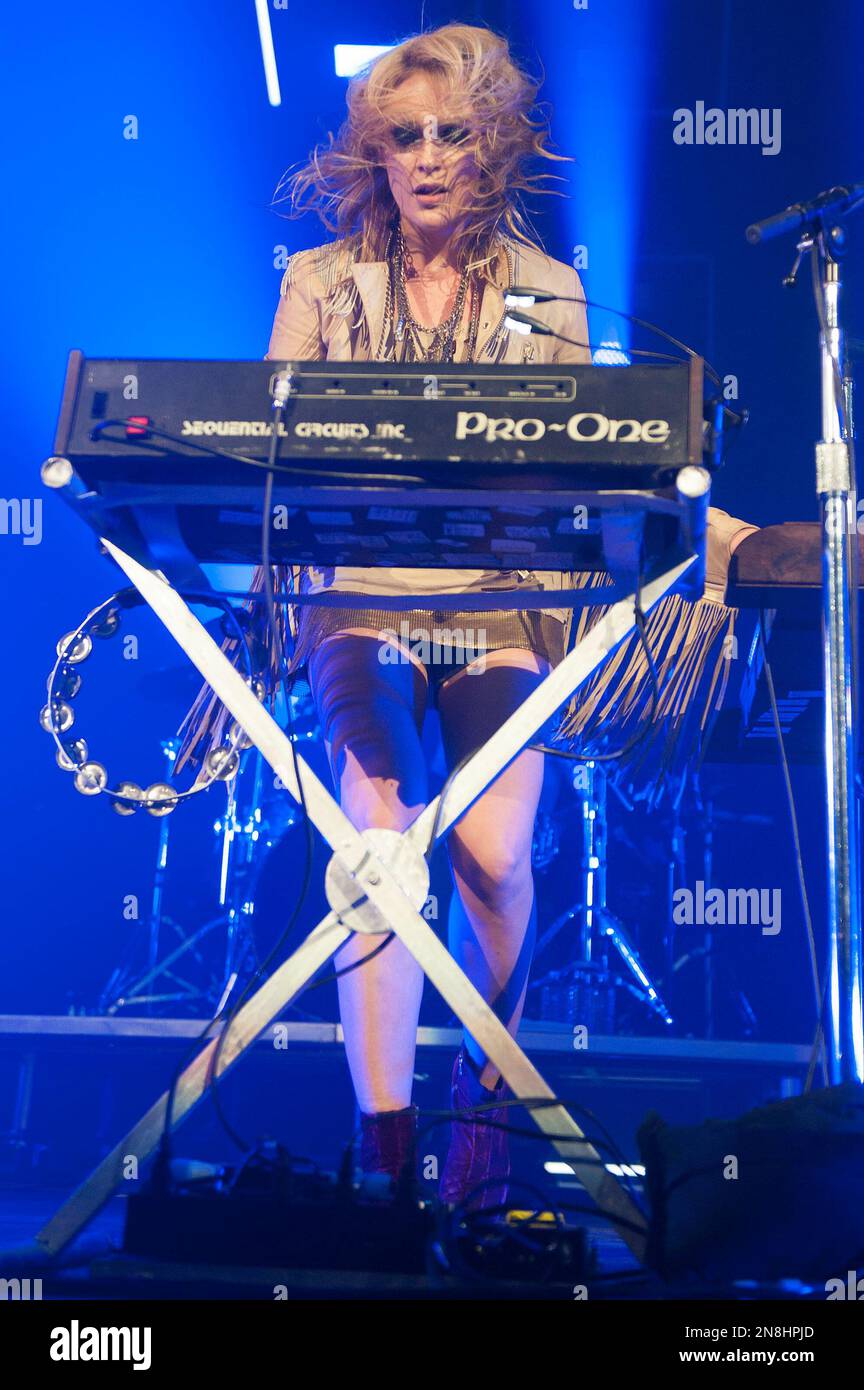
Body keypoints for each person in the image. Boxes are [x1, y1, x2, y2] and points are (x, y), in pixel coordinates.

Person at [177, 22, 755, 1209]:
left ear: (489, 149)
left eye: (453, 134)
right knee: (381, 831)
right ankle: (387, 1155)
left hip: (503, 599)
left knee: (494, 855)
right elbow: (268, 450)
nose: (430, 157)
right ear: (373, 153)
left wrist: (719, 523)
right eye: (405, 136)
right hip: (363, 598)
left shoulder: (550, 291)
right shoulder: (320, 283)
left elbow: (608, 464)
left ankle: (488, 1096)